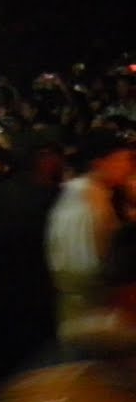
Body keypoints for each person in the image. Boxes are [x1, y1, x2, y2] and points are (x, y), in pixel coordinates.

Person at [46, 129, 135, 327]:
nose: (129, 167)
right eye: (122, 160)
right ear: (100, 164)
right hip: (92, 315)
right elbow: (86, 271)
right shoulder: (86, 204)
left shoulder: (94, 194)